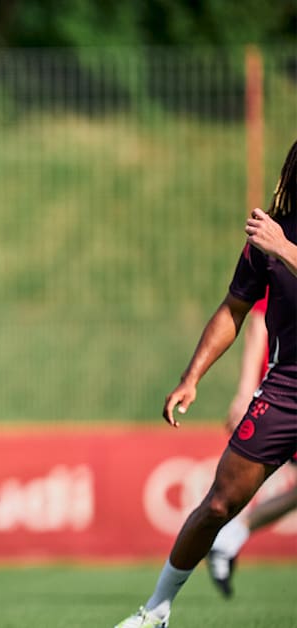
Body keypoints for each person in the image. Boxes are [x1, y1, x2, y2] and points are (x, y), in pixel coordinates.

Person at [116, 138, 297, 628]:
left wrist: (284, 249)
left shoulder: (279, 242)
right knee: (218, 503)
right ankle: (155, 612)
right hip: (287, 392)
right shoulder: (271, 237)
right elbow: (235, 308)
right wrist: (191, 377)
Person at [206, 295, 297, 598]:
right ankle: (230, 534)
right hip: (284, 388)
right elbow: (258, 323)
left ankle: (231, 535)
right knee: (236, 483)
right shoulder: (283, 254)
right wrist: (245, 390)